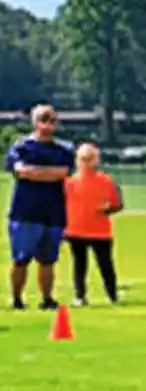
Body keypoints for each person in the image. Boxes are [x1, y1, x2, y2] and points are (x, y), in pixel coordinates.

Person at [5, 104, 75, 311]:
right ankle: (17, 299)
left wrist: (35, 173)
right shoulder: (21, 147)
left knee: (48, 260)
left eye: (51, 120)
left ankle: (47, 298)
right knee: (21, 259)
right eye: (43, 120)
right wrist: (47, 174)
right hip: (25, 212)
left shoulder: (64, 149)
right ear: (34, 122)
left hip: (53, 212)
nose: (47, 125)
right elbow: (20, 171)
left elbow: (63, 172)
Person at [63, 144, 123, 306]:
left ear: (97, 160)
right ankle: (80, 295)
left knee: (106, 265)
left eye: (90, 159)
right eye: (83, 159)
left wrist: (107, 210)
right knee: (79, 265)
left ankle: (113, 295)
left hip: (100, 231)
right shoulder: (69, 183)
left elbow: (118, 204)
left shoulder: (107, 181)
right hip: (75, 230)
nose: (87, 163)